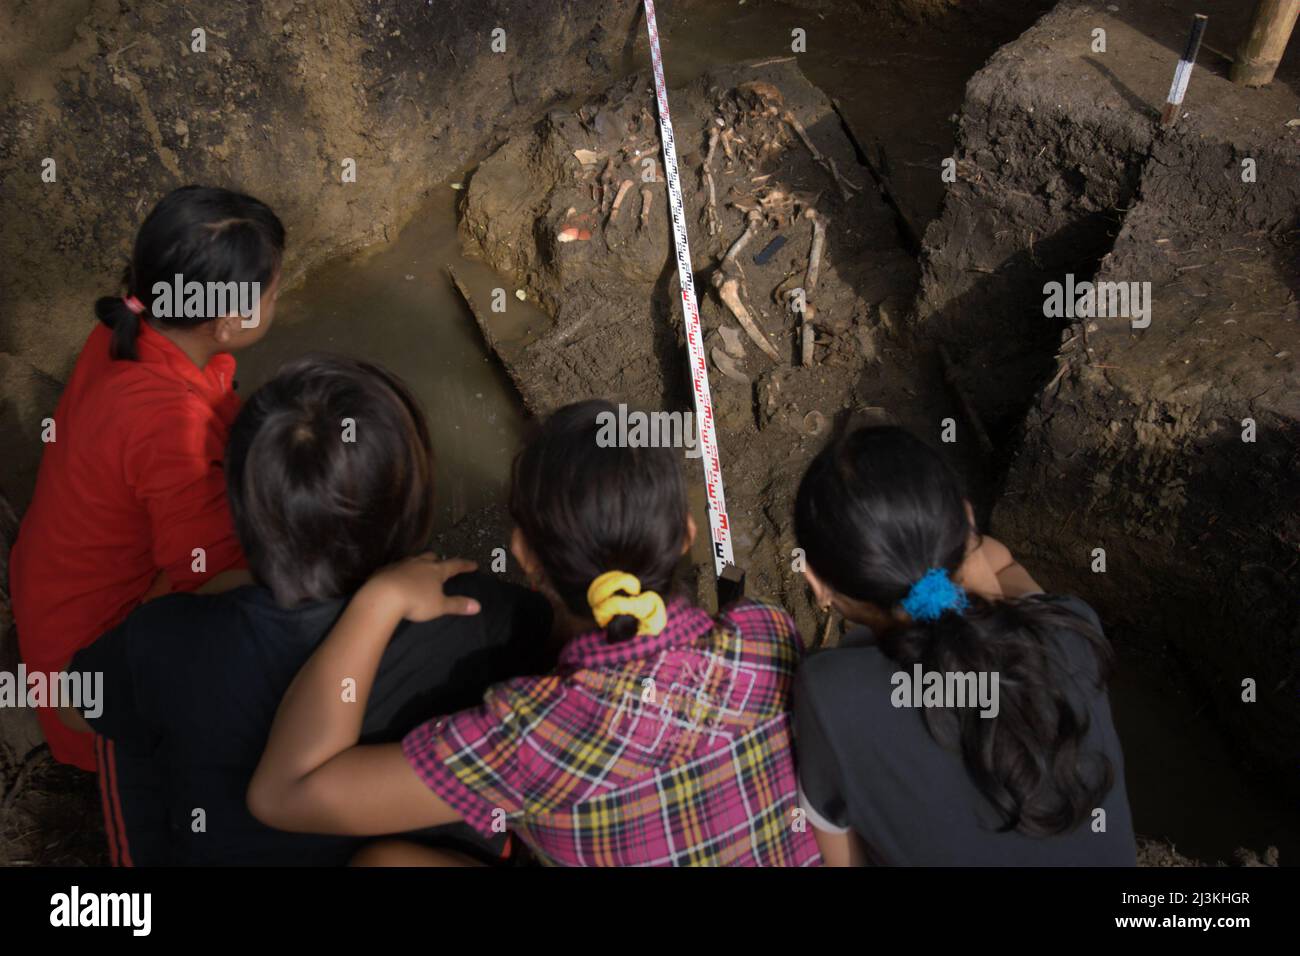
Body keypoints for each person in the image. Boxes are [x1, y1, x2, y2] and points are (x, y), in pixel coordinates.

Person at [247, 399, 820, 867]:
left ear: (522, 554)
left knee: (382, 865)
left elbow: (284, 795)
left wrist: (379, 600)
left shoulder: (529, 733)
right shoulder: (767, 634)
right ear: (687, 534)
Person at [68, 356, 553, 865]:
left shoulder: (165, 635)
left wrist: (167, 612)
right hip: (407, 844)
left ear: (240, 505)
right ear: (417, 501)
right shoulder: (485, 612)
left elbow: (73, 710)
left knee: (123, 709)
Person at [11, 185, 285, 771]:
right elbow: (217, 579)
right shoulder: (172, 427)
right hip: (90, 691)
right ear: (228, 322)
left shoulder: (126, 330)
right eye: (273, 287)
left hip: (57, 600)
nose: (277, 294)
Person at [791, 425, 1136, 865]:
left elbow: (844, 860)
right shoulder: (1072, 630)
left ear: (818, 584)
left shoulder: (830, 696)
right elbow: (1003, 568)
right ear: (968, 521)